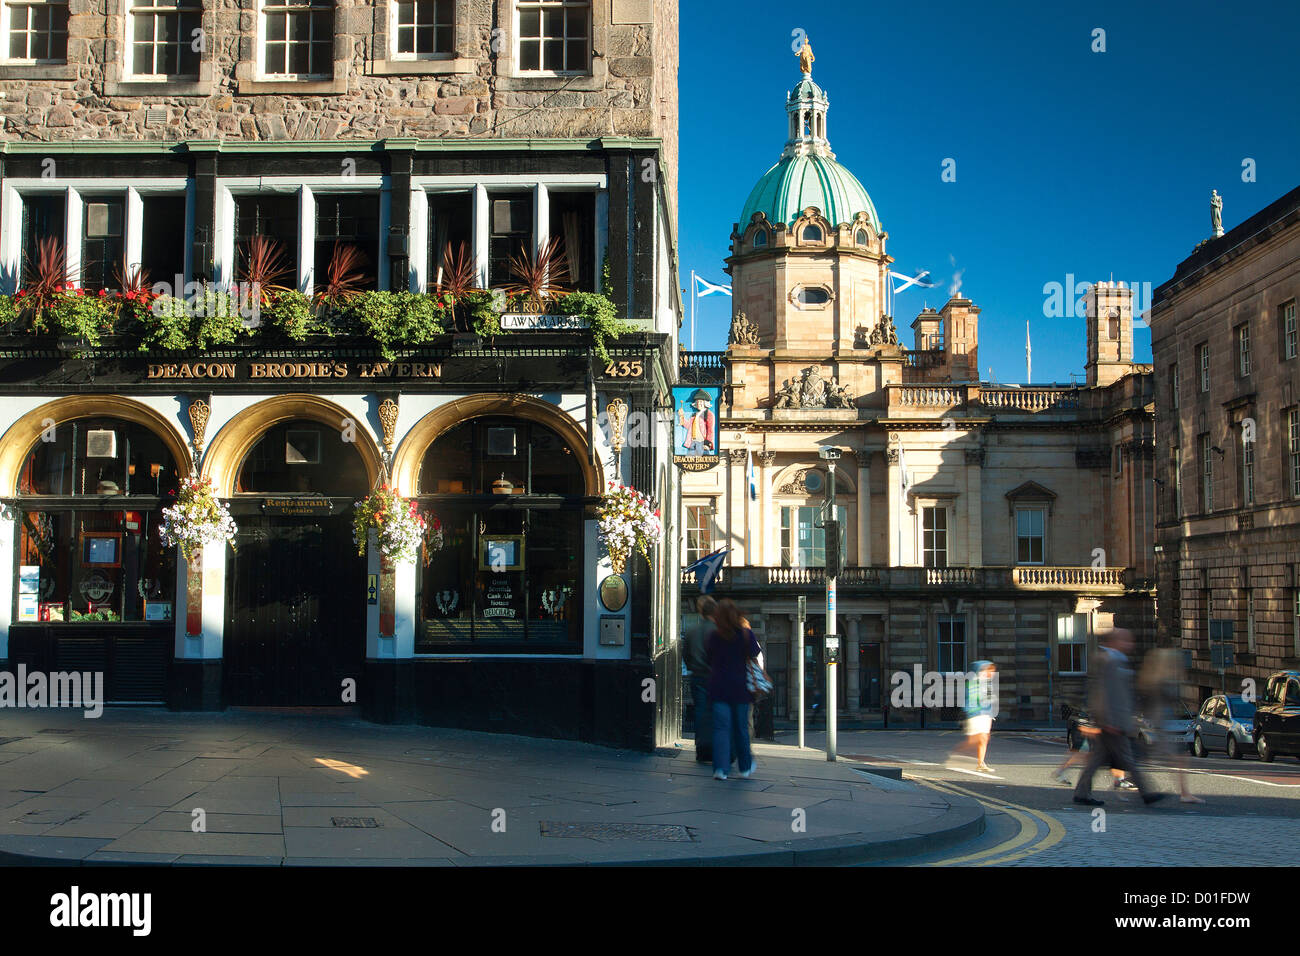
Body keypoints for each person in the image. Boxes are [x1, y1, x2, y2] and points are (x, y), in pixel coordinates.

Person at [1073, 628, 1168, 807]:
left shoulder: (1116, 660)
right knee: (1128, 759)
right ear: (1114, 642)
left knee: (1097, 759)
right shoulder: (1109, 661)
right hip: (1112, 723)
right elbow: (1103, 694)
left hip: (1113, 721)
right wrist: (1108, 721)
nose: (1130, 644)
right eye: (1125, 640)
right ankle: (1146, 793)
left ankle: (1081, 793)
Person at [1139, 646, 1204, 804]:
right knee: (1174, 756)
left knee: (1172, 756)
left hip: (1163, 722)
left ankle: (1184, 792)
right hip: (1162, 723)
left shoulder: (1154, 680)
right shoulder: (1162, 681)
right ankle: (1184, 793)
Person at [706, 598, 761, 781]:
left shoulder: (714, 636)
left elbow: (709, 658)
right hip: (740, 688)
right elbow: (754, 654)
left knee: (721, 729)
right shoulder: (745, 635)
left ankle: (721, 769)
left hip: (719, 687)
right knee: (741, 729)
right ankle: (744, 767)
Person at [683, 596, 717, 764]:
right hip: (716, 678)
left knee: (701, 713)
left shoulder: (691, 631)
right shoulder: (720, 631)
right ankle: (717, 749)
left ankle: (702, 751)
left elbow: (686, 655)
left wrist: (694, 666)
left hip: (698, 676)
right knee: (718, 713)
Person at [948, 660, 997, 772]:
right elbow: (970, 699)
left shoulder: (988, 683)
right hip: (975, 714)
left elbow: (988, 700)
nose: (992, 673)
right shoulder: (973, 682)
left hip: (985, 715)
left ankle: (980, 763)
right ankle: (956, 752)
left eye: (992, 671)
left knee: (984, 739)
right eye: (989, 670)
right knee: (973, 740)